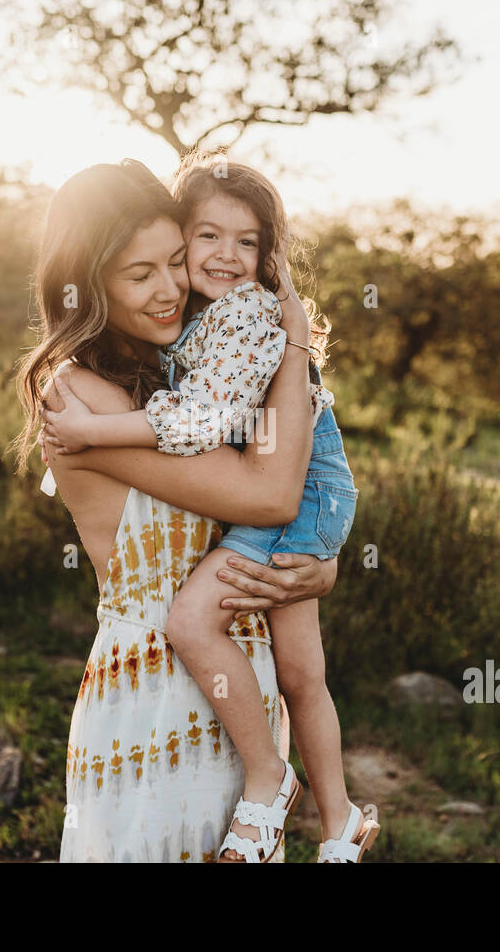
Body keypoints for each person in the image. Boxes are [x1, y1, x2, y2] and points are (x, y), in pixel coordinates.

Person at [43, 152, 378, 863]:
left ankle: (332, 814)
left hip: (238, 691)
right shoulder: (83, 399)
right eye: (140, 274)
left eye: (173, 261)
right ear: (87, 283)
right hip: (155, 693)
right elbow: (271, 491)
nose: (170, 289)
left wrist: (314, 570)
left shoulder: (180, 368)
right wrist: (292, 341)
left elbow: (266, 507)